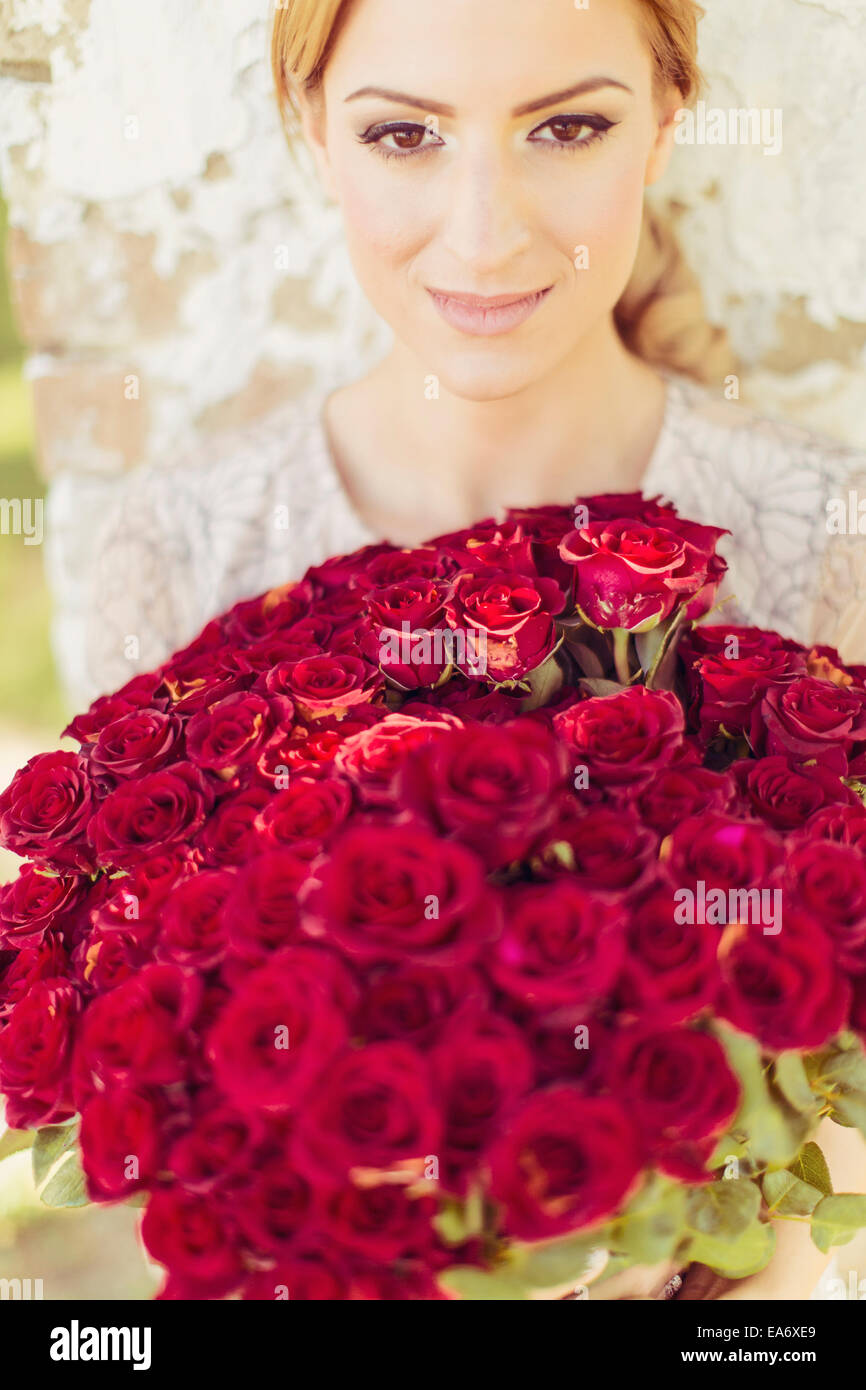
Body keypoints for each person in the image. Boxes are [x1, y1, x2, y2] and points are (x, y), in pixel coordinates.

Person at [49, 0, 866, 1297]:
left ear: (664, 121)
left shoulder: (828, 542)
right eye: (403, 135)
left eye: (567, 125)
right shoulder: (185, 542)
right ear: (315, 134)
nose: (484, 236)